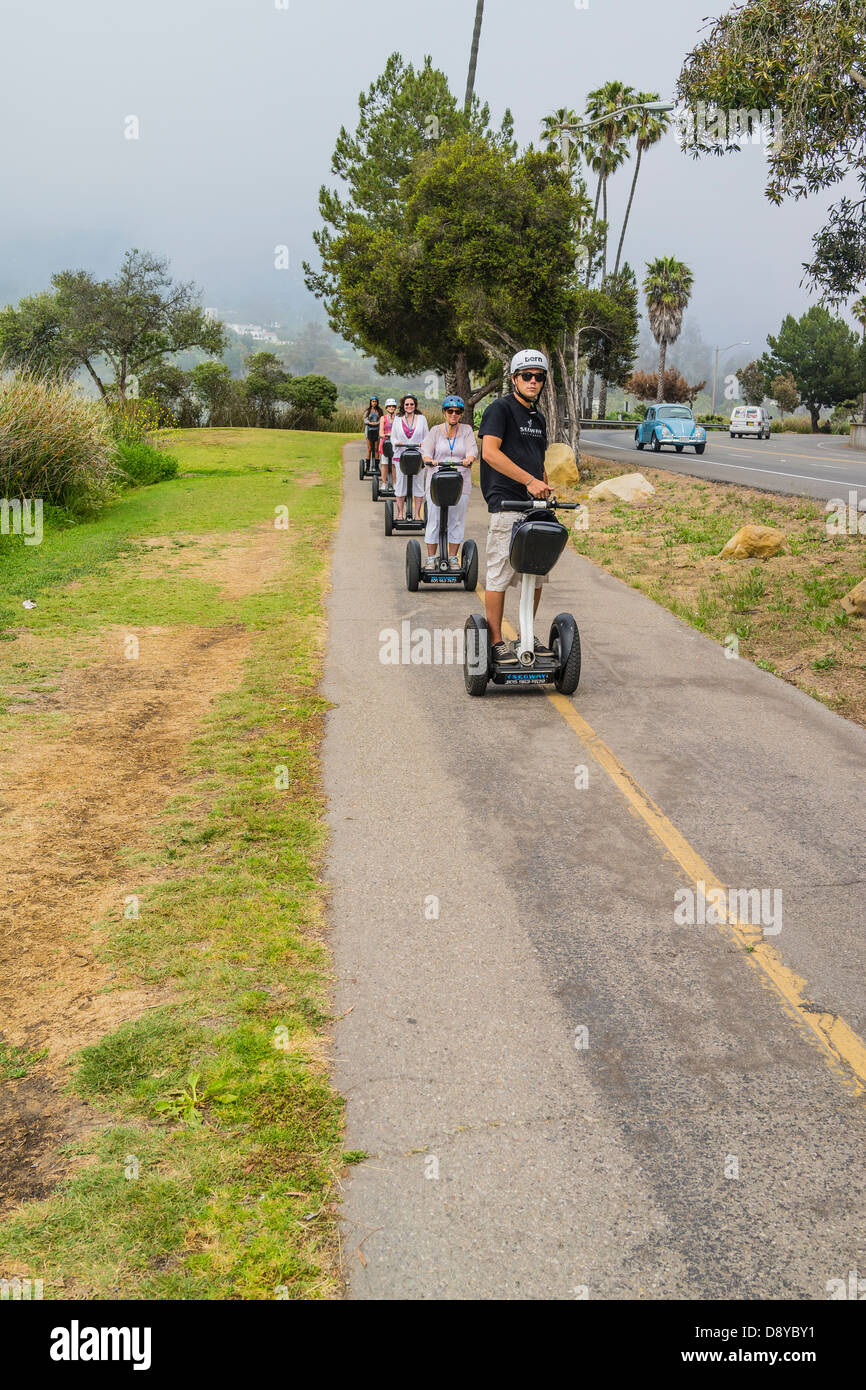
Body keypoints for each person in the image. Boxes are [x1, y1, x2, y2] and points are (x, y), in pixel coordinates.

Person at [477, 349, 552, 669]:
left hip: (535, 506)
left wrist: (544, 487)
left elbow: (539, 461)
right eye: (527, 376)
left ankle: (526, 634)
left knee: (534, 575)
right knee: (499, 574)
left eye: (539, 377)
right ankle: (495, 642)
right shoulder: (499, 409)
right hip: (507, 503)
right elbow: (490, 453)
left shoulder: (539, 418)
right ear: (514, 379)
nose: (533, 381)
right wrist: (529, 481)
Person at [421, 395, 476, 568]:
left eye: (457, 411)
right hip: (436, 482)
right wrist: (429, 459)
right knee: (434, 520)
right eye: (450, 411)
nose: (453, 414)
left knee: (456, 520)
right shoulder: (435, 431)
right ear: (444, 412)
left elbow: (472, 450)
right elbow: (426, 451)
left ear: (461, 414)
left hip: (459, 483)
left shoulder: (466, 430)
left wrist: (469, 458)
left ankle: (452, 558)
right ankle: (431, 559)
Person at [390, 394, 429, 521]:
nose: (409, 406)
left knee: (418, 485)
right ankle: (400, 513)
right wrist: (397, 442)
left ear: (415, 405)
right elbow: (393, 436)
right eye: (407, 404)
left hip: (417, 456)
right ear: (403, 405)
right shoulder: (397, 418)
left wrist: (424, 443)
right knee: (401, 484)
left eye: (412, 404)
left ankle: (417, 514)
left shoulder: (422, 419)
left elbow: (426, 436)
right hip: (401, 456)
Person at [378, 398, 398, 492]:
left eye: (393, 406)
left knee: (394, 465)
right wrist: (383, 435)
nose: (391, 408)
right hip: (385, 443)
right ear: (386, 408)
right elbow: (381, 431)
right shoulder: (383, 418)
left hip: (395, 445)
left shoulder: (398, 418)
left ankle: (395, 483)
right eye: (389, 406)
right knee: (384, 464)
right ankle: (384, 483)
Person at [363, 396, 382, 467]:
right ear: (370, 402)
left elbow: (381, 419)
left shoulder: (379, 411)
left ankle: (376, 467)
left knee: (376, 449)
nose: (374, 403)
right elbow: (365, 420)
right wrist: (371, 423)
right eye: (373, 401)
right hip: (368, 431)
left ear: (377, 402)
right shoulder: (367, 411)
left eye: (375, 401)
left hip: (377, 431)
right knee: (369, 449)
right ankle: (367, 467)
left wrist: (377, 423)